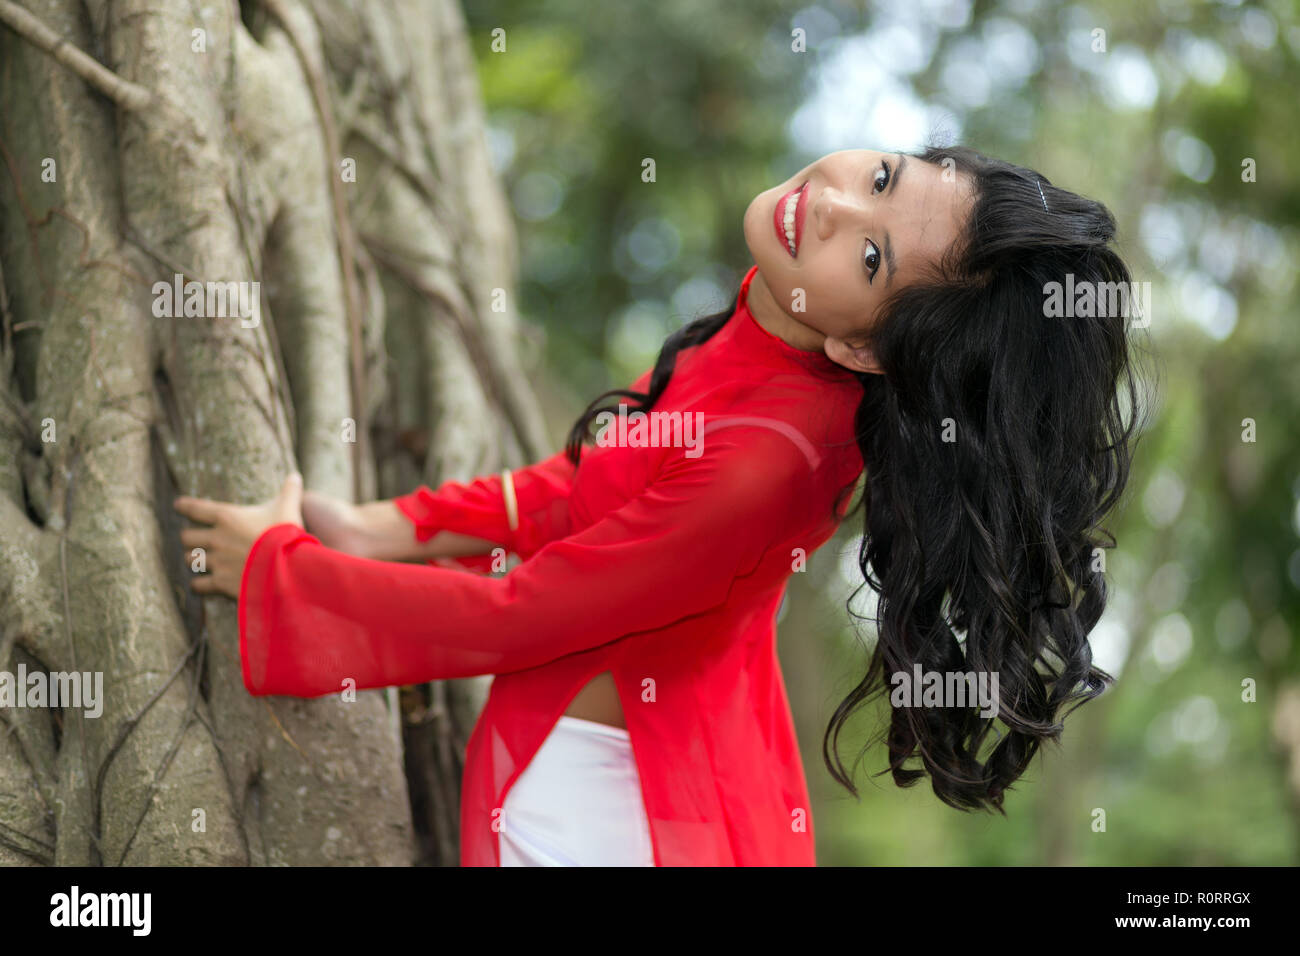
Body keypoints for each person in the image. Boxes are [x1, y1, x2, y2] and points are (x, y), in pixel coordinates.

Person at [174, 145, 1146, 866]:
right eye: (885, 177)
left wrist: (279, 576)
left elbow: (523, 612)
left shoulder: (766, 462)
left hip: (600, 818)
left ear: (864, 351)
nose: (835, 202)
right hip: (664, 748)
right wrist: (380, 525)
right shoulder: (772, 326)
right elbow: (597, 480)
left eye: (871, 259)